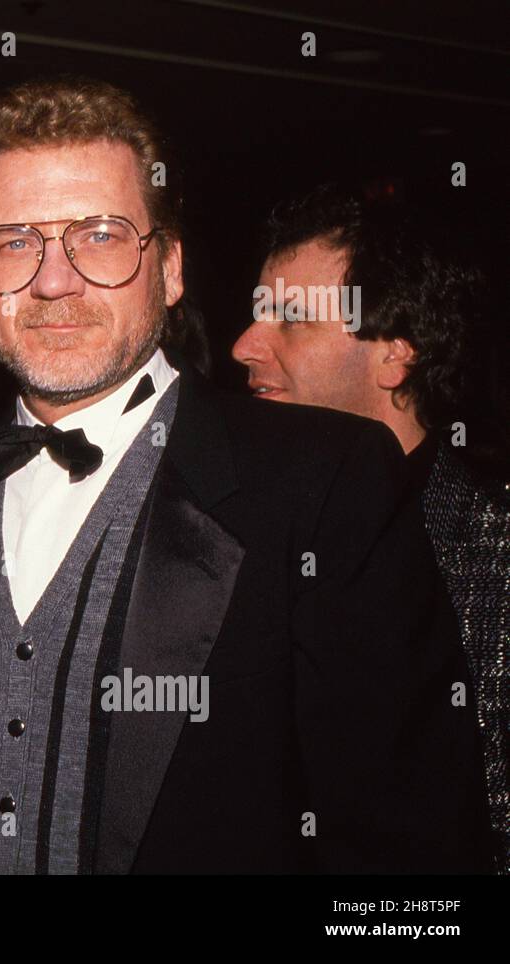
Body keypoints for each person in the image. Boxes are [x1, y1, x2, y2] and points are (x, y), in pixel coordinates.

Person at [0, 76, 491, 873]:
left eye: (99, 234)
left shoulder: (324, 481)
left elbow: (419, 857)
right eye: (15, 242)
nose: (54, 280)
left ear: (169, 269)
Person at [232, 183, 509, 871]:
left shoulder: (489, 552)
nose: (243, 345)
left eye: (291, 318)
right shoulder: (242, 523)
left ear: (397, 352)